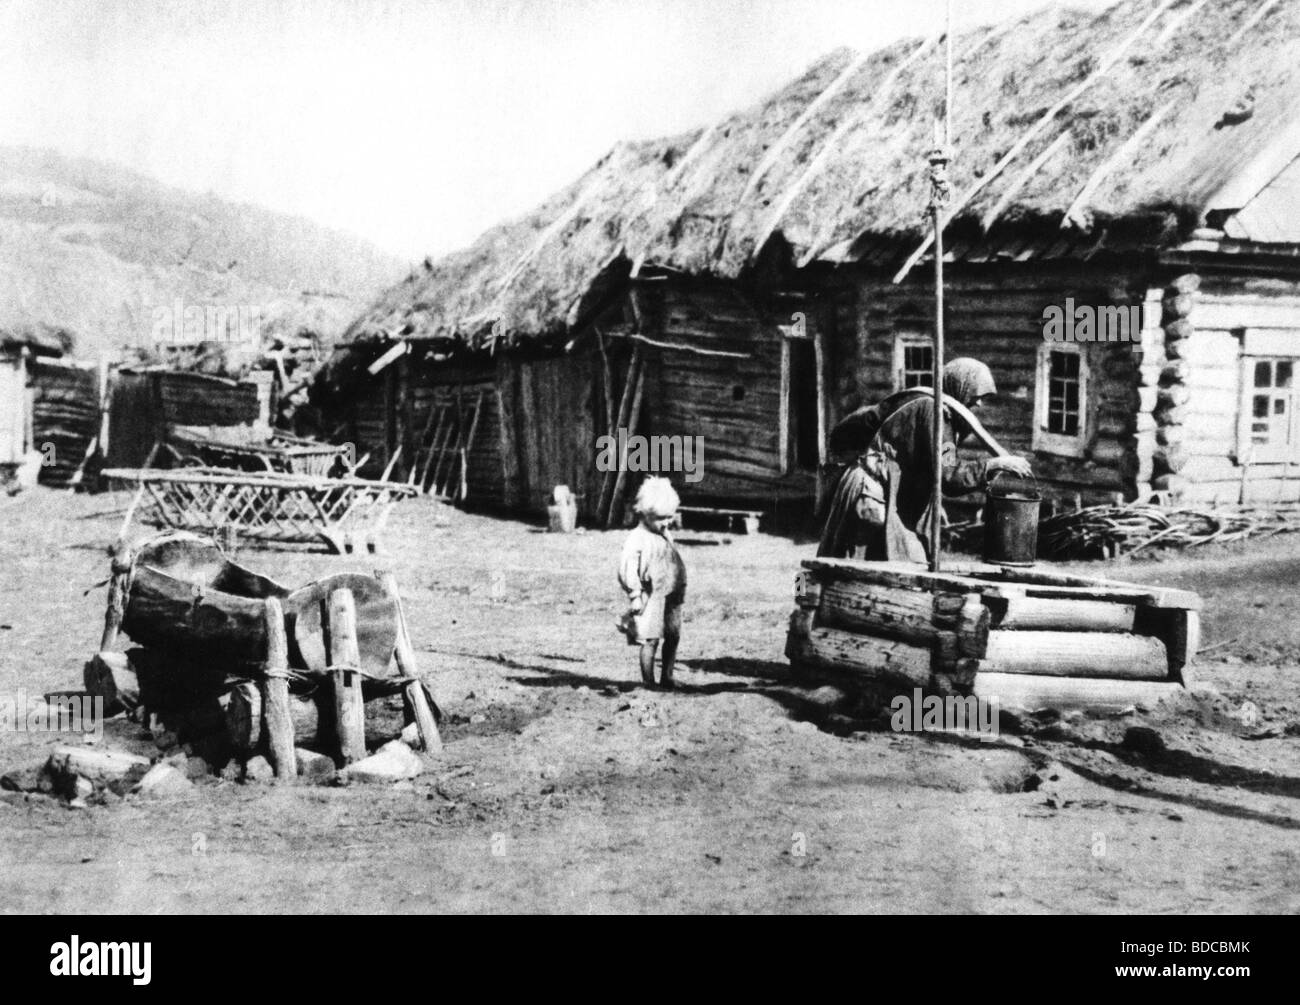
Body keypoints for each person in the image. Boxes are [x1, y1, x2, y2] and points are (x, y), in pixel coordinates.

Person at [819, 357, 1032, 561]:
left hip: (884, 493)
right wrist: (994, 465)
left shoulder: (929, 406)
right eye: (977, 395)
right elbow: (949, 473)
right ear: (960, 386)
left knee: (901, 562)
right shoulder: (934, 411)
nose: (979, 405)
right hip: (870, 494)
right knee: (863, 567)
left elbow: (922, 460)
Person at [617, 477, 687, 689]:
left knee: (673, 635)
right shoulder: (637, 538)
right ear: (645, 513)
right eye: (660, 518)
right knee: (651, 638)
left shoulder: (665, 534)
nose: (666, 522)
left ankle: (667, 676)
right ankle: (649, 682)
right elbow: (628, 569)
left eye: (669, 517)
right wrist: (635, 595)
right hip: (651, 595)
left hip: (672, 592)